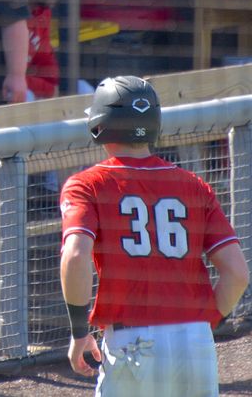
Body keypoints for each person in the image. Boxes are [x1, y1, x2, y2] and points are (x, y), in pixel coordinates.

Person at [60, 75, 249, 395]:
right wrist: (205, 324)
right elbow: (237, 273)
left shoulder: (88, 184)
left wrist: (80, 332)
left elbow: (76, 256)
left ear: (100, 123)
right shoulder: (194, 185)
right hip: (195, 342)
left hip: (133, 343)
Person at [14, 0, 60, 100]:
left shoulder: (42, 12)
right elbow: (8, 76)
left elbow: (47, 67)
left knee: (82, 89)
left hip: (30, 86)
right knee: (25, 96)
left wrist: (56, 89)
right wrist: (50, 90)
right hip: (2, 94)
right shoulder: (7, 11)